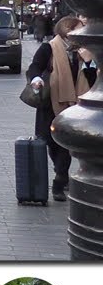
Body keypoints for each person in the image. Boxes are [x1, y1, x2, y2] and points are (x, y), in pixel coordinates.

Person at [27, 16, 90, 202]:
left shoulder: (84, 50)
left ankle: (59, 181)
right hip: (52, 103)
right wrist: (35, 79)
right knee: (51, 142)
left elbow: (93, 78)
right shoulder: (49, 47)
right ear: (67, 30)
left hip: (75, 105)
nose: (82, 32)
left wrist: (88, 62)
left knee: (65, 145)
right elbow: (34, 67)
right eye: (78, 29)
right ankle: (60, 172)